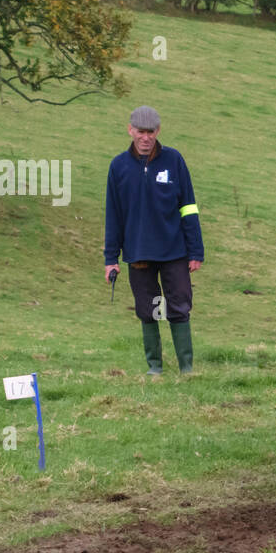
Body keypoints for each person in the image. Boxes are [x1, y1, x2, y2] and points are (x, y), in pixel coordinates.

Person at [104, 106, 204, 375]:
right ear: (130, 130)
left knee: (179, 308)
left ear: (158, 132)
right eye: (140, 132)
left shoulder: (174, 160)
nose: (145, 137)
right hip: (138, 254)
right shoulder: (118, 167)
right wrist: (110, 259)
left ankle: (186, 368)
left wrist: (196, 251)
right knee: (147, 310)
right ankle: (155, 368)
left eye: (150, 132)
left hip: (175, 252)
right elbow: (113, 215)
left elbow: (189, 207)